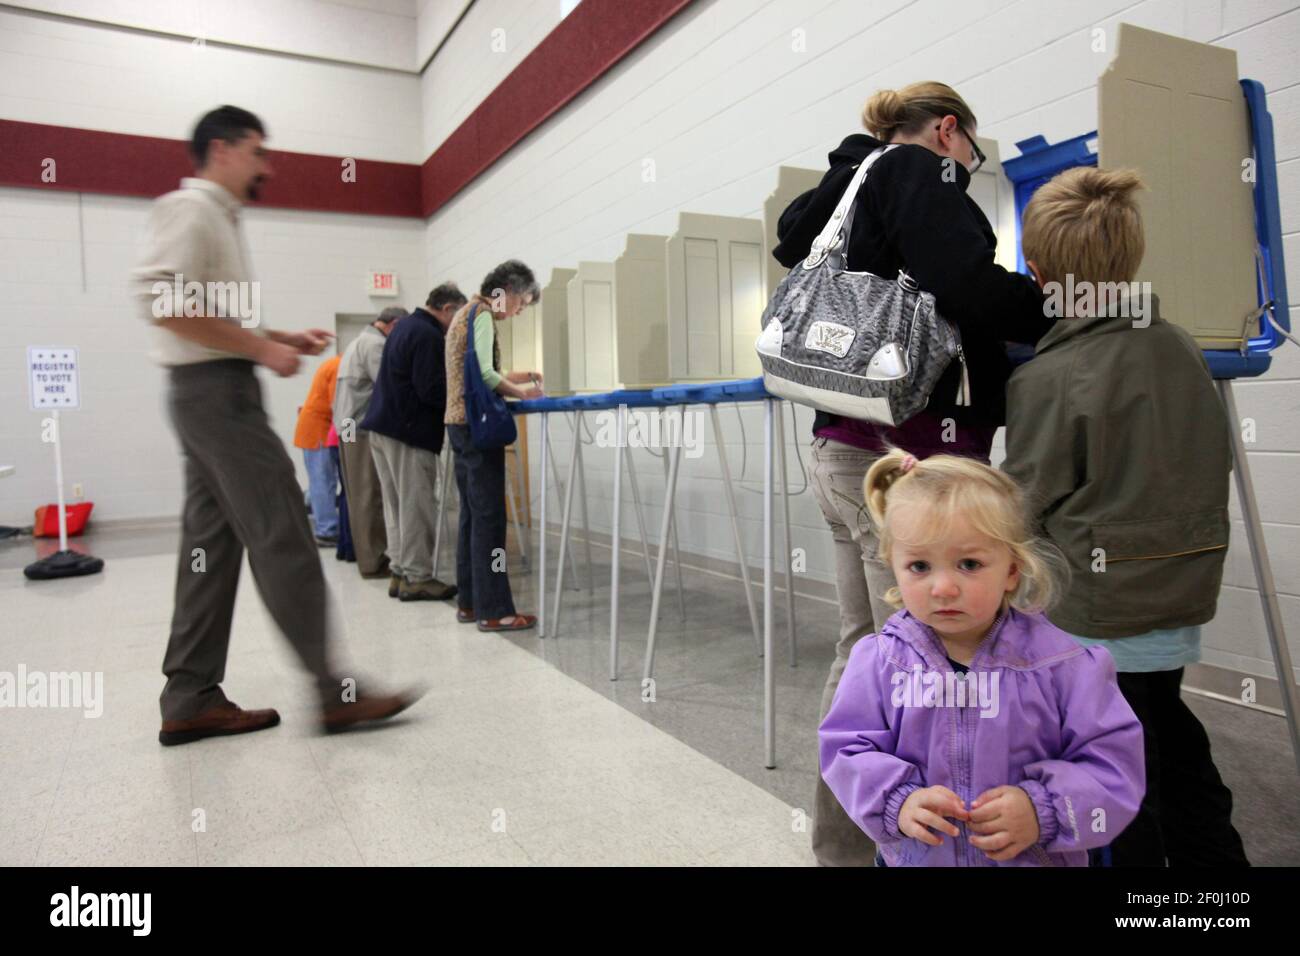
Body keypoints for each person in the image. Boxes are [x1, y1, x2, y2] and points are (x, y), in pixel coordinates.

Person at [772, 81, 1055, 866]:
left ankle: (844, 848)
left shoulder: (855, 176)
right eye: (972, 153)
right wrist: (1055, 311)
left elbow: (795, 241)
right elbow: (966, 285)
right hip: (907, 456)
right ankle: (917, 844)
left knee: (866, 649)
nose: (969, 167)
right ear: (950, 131)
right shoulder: (915, 173)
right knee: (920, 655)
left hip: (839, 446)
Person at [132, 105, 415, 744]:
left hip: (208, 392)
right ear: (224, 149)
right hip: (217, 397)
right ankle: (333, 692)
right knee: (283, 527)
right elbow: (160, 301)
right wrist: (261, 351)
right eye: (259, 151)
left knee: (210, 547)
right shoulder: (193, 209)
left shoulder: (222, 221)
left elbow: (204, 313)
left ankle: (190, 698)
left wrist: (274, 336)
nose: (268, 164)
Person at [1003, 166, 1250, 867]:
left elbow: (1022, 501)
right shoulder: (1178, 344)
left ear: (1040, 272)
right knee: (1167, 737)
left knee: (1116, 777)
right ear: (1132, 257)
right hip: (1180, 588)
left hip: (1101, 609)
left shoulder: (1048, 376)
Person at [818, 449, 1146, 866]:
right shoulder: (879, 661)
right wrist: (897, 801)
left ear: (1011, 570)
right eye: (919, 566)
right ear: (894, 568)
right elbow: (846, 750)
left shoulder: (1065, 666)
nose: (943, 587)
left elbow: (1114, 767)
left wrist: (1043, 810)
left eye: (969, 563)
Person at [443, 260, 542, 631]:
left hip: (458, 425)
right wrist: (524, 394)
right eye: (521, 304)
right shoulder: (482, 314)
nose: (518, 312)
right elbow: (485, 374)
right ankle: (496, 610)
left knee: (472, 517)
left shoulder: (463, 315)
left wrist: (525, 375)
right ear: (507, 292)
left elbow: (476, 368)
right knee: (490, 522)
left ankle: (469, 603)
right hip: (477, 429)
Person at [363, 285, 464, 602]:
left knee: (396, 507)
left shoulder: (404, 327)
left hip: (382, 427)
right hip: (407, 431)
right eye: (457, 316)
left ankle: (400, 572)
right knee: (416, 505)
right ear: (446, 309)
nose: (457, 324)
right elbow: (430, 389)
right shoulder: (427, 334)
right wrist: (462, 396)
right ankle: (418, 577)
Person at [333, 306, 406, 578]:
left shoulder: (356, 342)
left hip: (346, 425)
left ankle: (365, 554)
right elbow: (388, 385)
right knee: (368, 494)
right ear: (394, 324)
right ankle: (373, 561)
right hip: (358, 426)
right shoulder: (374, 345)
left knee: (356, 493)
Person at [293, 354, 341, 546]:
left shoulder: (333, 362)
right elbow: (339, 406)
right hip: (318, 431)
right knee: (324, 481)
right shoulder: (339, 367)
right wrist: (350, 439)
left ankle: (314, 512)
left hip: (313, 429)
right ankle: (326, 531)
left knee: (319, 479)